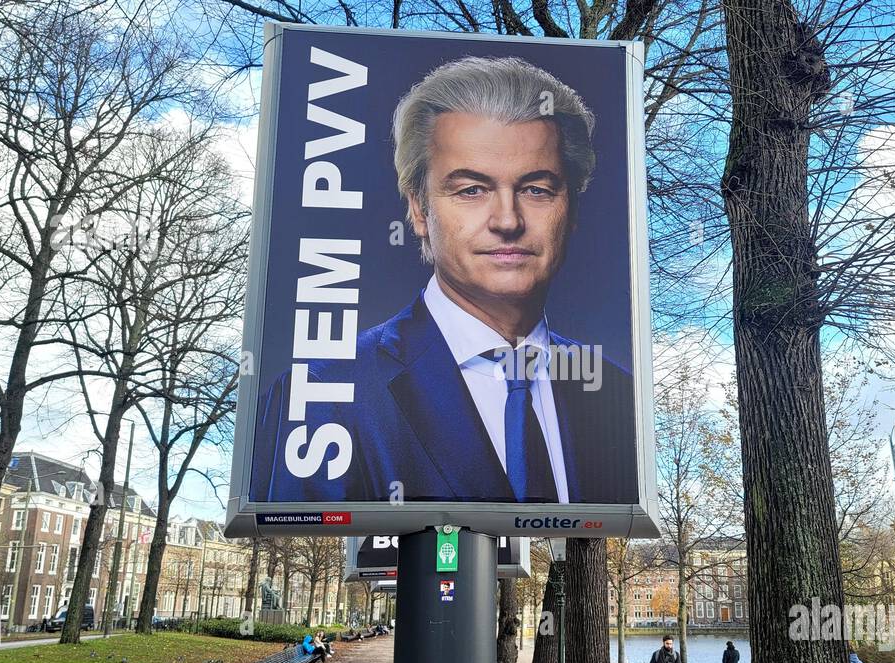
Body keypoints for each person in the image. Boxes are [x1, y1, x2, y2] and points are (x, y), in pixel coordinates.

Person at [254, 56, 637, 505]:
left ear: (570, 208)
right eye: (471, 190)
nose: (507, 220)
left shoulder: (617, 395)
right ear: (419, 210)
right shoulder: (325, 391)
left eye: (537, 189)